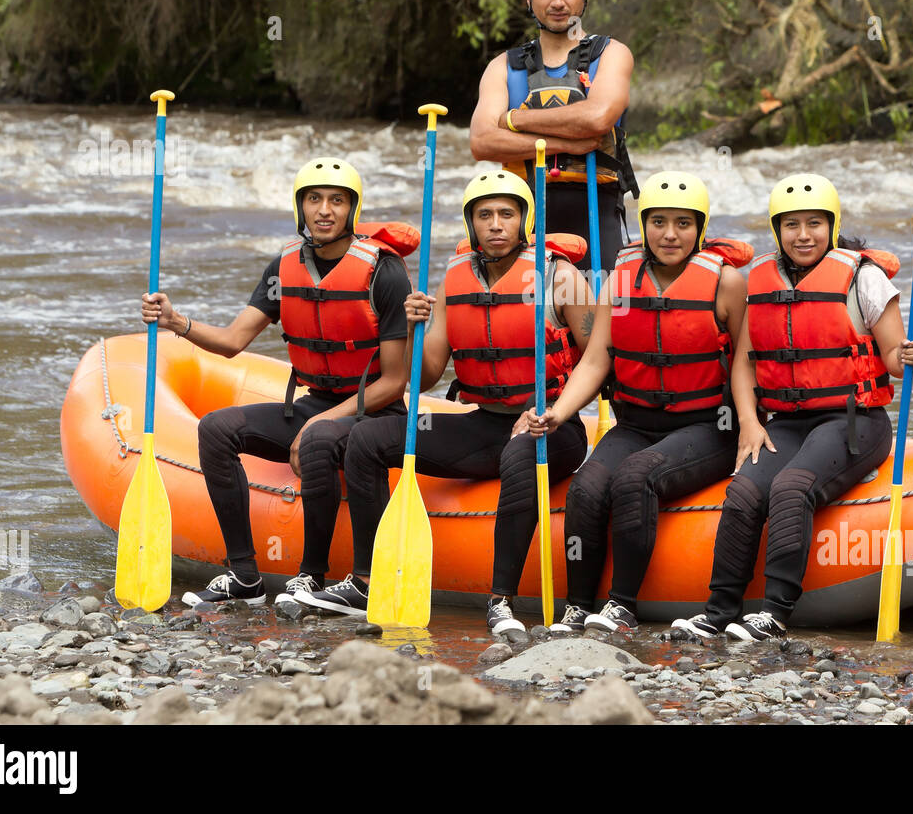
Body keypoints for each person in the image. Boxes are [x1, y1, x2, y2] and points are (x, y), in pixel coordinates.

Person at [295, 170, 595, 635]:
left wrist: (555, 411)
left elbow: (599, 356)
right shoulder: (455, 279)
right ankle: (366, 581)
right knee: (368, 437)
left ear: (525, 221)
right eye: (485, 215)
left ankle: (501, 601)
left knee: (520, 453)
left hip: (554, 427)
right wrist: (415, 326)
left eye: (507, 214)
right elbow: (427, 375)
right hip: (484, 425)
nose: (496, 224)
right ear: (471, 224)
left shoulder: (563, 276)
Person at [141, 157, 414, 607]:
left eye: (337, 200)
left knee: (318, 438)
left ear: (352, 209)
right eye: (314, 199)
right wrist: (175, 321)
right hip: (317, 401)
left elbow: (394, 383)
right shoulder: (283, 267)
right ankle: (245, 576)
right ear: (300, 207)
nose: (324, 210)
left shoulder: (384, 272)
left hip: (373, 413)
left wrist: (315, 425)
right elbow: (232, 341)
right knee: (215, 429)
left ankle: (311, 576)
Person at [671, 173, 913, 641]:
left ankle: (774, 613)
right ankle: (717, 612)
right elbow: (745, 365)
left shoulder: (863, 277)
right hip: (788, 420)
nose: (803, 235)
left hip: (854, 420)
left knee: (791, 487)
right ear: (777, 230)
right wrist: (748, 423)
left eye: (814, 224)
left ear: (832, 225)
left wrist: (908, 355)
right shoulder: (759, 281)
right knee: (745, 491)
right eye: (791, 225)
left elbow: (892, 359)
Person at [520, 172, 751, 633]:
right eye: (659, 222)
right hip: (636, 422)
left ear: (700, 228)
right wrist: (557, 412)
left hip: (708, 425)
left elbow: (746, 362)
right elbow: (595, 361)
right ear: (643, 225)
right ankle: (578, 607)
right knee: (586, 489)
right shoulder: (620, 279)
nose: (670, 234)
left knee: (635, 477)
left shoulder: (726, 283)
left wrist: (747, 422)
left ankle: (621, 605)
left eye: (684, 223)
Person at [468, 0, 638, 274]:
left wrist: (513, 119)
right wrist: (566, 142)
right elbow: (482, 141)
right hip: (524, 220)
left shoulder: (612, 54)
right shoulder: (504, 66)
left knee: (598, 321)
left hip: (597, 216)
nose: (558, 1)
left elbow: (597, 117)